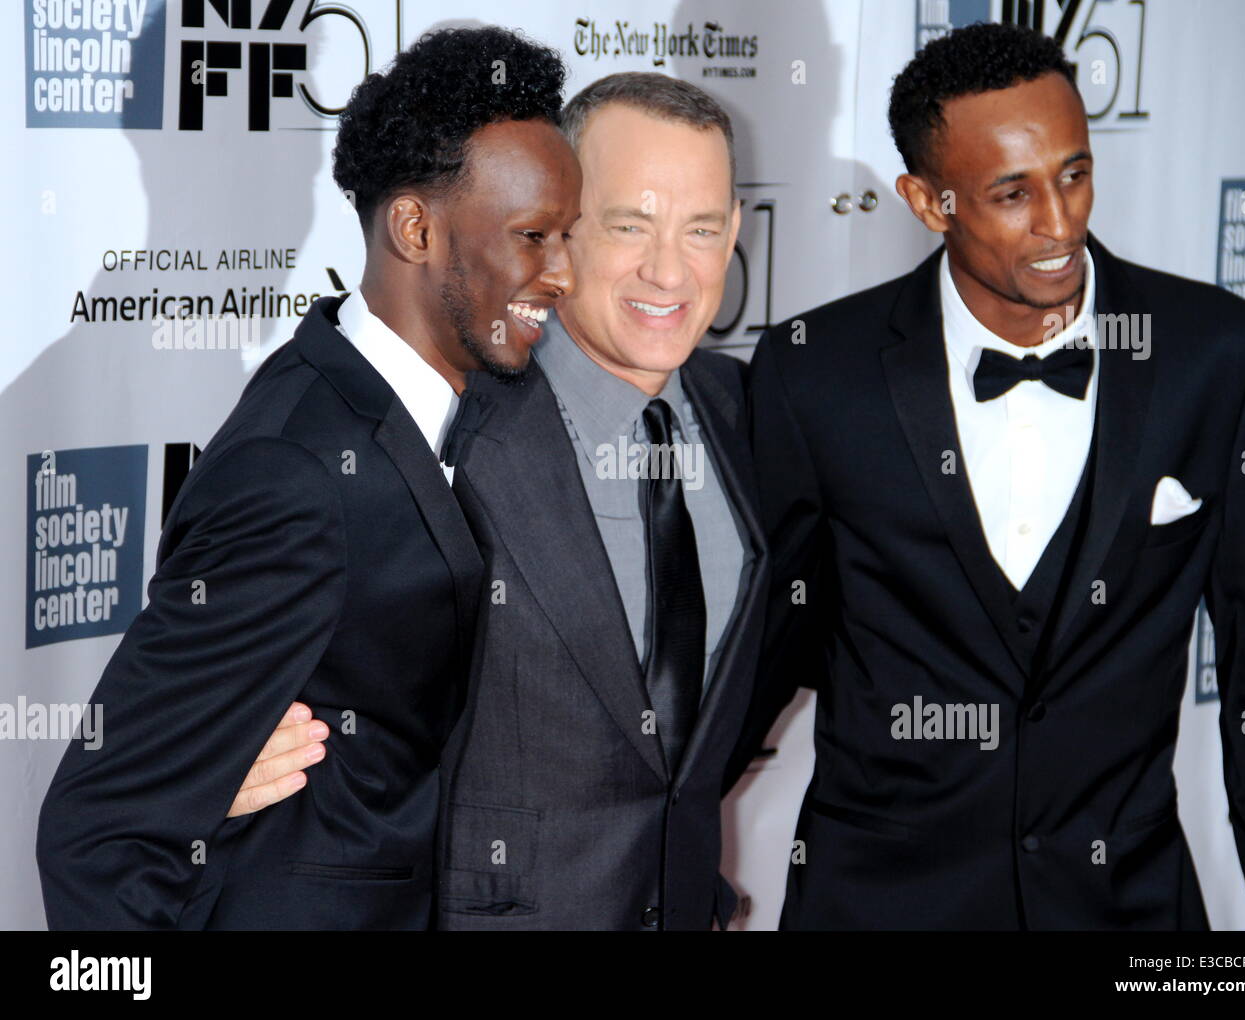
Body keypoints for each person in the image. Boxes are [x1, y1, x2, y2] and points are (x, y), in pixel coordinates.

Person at [731, 21, 1245, 930]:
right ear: (928, 202)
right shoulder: (815, 372)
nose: (1060, 222)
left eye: (1074, 173)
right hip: (879, 905)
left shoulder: (1214, 355)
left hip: (1130, 915)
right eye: (1011, 192)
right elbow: (755, 659)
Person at [35, 26, 580, 930]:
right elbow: (97, 833)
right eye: (533, 236)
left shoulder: (476, 403)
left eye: (565, 235)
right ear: (416, 227)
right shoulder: (291, 473)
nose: (561, 272)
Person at [231, 72, 769, 931]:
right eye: (628, 224)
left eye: (701, 229)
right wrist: (220, 761)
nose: (669, 270)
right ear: (557, 228)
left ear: (735, 231)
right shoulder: (442, 427)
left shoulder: (742, 409)